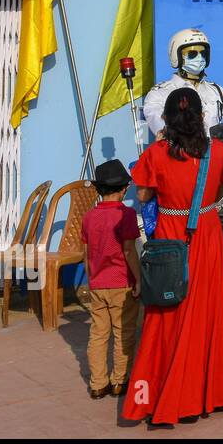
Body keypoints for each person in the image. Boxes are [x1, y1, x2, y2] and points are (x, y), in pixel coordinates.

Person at [123, 88, 223, 426]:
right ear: (201, 116)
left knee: (166, 318)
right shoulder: (218, 152)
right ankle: (219, 395)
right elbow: (222, 188)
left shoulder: (157, 153)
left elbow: (144, 193)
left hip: (171, 238)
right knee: (210, 315)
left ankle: (167, 399)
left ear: (168, 118)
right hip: (206, 232)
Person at [82, 158, 140, 400]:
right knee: (123, 334)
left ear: (99, 189)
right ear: (125, 188)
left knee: (98, 334)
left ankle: (97, 384)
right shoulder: (126, 215)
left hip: (97, 283)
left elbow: (86, 254)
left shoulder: (89, 217)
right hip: (121, 283)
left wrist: (91, 279)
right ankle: (119, 381)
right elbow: (129, 250)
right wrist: (139, 279)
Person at [143, 28, 223, 135]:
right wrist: (168, 134)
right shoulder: (160, 93)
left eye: (203, 53)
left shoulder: (217, 91)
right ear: (177, 56)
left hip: (213, 149)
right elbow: (155, 118)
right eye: (192, 54)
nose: (200, 58)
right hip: (180, 149)